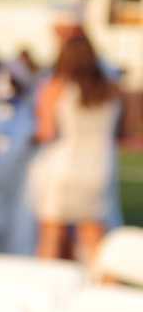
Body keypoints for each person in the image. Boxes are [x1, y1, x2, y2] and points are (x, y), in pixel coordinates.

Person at [28, 32, 121, 262]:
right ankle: (101, 290)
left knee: (51, 237)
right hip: (99, 169)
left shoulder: (55, 88)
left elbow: (46, 133)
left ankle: (47, 289)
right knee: (94, 238)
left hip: (62, 169)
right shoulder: (111, 89)